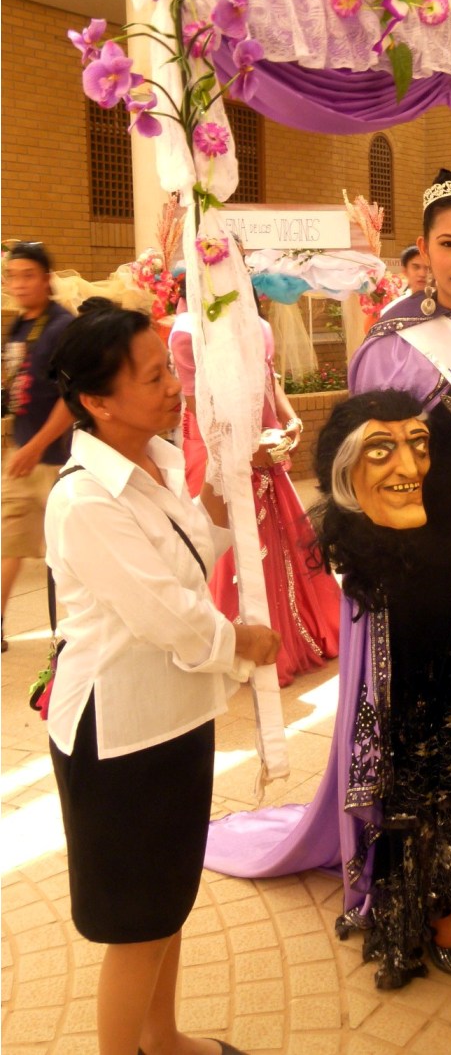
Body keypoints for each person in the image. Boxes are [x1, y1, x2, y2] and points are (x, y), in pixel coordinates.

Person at [205, 163, 451, 989]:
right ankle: (442, 907)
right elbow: (357, 473)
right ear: (422, 249)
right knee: (433, 739)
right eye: (448, 244)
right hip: (422, 575)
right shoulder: (389, 338)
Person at [45, 297, 279, 1055]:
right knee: (135, 924)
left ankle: (162, 1038)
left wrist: (233, 483)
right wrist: (242, 641)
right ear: (98, 401)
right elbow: (168, 615)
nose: (173, 386)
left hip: (172, 717)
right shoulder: (85, 499)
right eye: (152, 377)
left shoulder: (155, 461)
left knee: (166, 901)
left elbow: (190, 550)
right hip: (119, 735)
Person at [169, 313, 340, 687]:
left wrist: (291, 419)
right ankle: (240, 640)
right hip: (221, 455)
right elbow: (198, 409)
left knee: (281, 539)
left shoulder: (258, 326)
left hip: (265, 447)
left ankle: (291, 633)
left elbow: (269, 380)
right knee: (228, 541)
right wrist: (245, 450)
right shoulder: (187, 334)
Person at [2, 241, 74, 651]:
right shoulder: (17, 327)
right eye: (12, 277)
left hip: (56, 460)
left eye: (28, 276)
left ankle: (81, 628)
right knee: (10, 542)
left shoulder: (61, 326)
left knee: (69, 551)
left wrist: (36, 446)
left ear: (46, 280)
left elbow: (70, 397)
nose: (19, 284)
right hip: (21, 456)